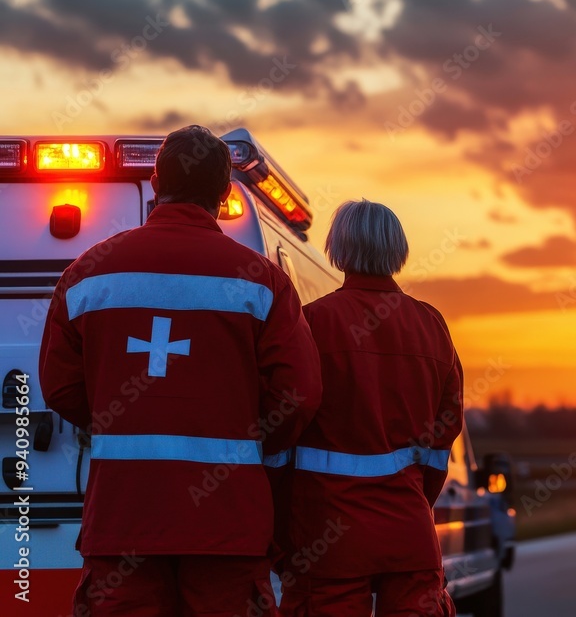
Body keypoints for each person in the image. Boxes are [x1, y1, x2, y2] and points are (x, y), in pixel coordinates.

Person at [40, 125, 322, 617]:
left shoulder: (87, 273)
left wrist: (120, 418)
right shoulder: (262, 281)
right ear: (224, 191)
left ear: (154, 183)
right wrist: (247, 441)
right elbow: (298, 394)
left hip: (122, 523)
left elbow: (61, 387)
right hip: (226, 527)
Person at [278, 200, 463, 617]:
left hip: (327, 540)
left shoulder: (311, 323)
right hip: (410, 534)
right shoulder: (431, 326)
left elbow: (284, 422)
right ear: (397, 248)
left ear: (337, 248)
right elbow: (444, 436)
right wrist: (415, 501)